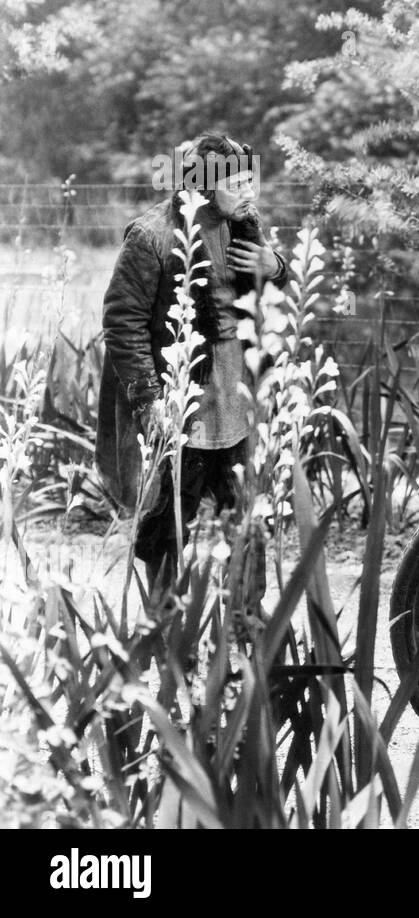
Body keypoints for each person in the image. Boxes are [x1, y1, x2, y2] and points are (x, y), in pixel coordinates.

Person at [96, 132, 290, 591]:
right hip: (182, 402)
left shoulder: (244, 226)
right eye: (235, 181)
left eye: (250, 179)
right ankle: (165, 641)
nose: (247, 190)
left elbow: (270, 302)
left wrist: (275, 266)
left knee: (246, 526)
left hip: (237, 403)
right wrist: (151, 400)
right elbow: (123, 324)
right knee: (166, 531)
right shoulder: (152, 236)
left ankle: (244, 636)